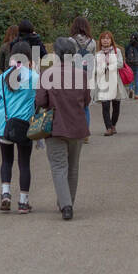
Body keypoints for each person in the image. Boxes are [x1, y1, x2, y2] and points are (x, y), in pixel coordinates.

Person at [36, 37, 90, 220]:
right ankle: (68, 202)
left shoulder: (47, 74)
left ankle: (65, 204)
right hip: (77, 125)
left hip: (55, 126)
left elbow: (40, 101)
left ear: (56, 54)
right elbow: (87, 100)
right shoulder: (81, 74)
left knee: (59, 166)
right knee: (73, 166)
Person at [0, 40, 38, 213]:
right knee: (24, 163)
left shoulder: (2, 78)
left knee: (6, 161)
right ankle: (23, 202)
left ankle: (5, 193)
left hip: (4, 125)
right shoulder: (34, 76)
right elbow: (39, 100)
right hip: (24, 125)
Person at [93, 30, 125, 135]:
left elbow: (120, 64)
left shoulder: (117, 51)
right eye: (103, 38)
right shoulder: (98, 54)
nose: (105, 40)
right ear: (100, 41)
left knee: (116, 106)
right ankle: (108, 128)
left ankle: (113, 125)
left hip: (114, 81)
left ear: (111, 40)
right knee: (105, 106)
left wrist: (109, 65)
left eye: (107, 38)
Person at [71, 16, 96, 142]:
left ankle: (76, 131)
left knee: (74, 105)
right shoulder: (92, 42)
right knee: (85, 105)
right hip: (87, 75)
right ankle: (85, 133)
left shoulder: (70, 41)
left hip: (73, 75)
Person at [124, 33, 138, 98]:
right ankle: (136, 94)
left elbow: (126, 55)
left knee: (130, 78)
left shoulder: (127, 46)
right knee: (137, 80)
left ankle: (130, 88)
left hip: (129, 65)